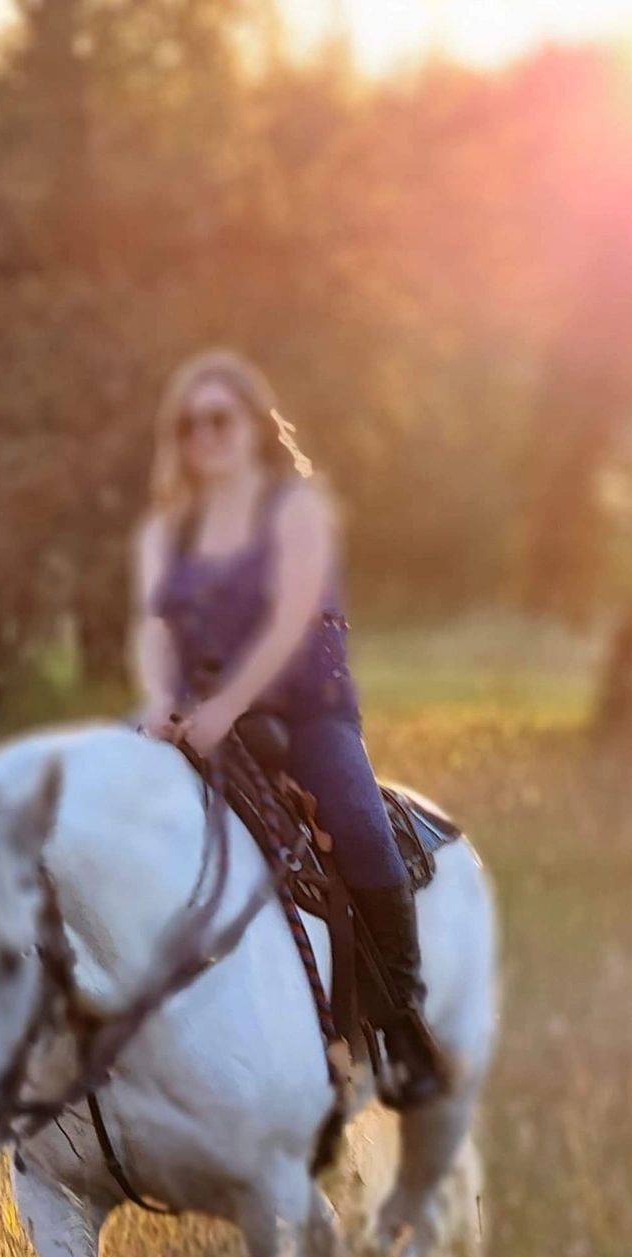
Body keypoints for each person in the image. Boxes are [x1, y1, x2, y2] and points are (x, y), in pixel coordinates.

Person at [132, 348, 446, 1105]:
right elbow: (159, 628)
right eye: (189, 424)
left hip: (305, 707)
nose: (204, 436)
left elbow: (288, 628)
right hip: (203, 709)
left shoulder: (295, 510)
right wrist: (160, 702)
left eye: (219, 420)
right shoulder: (174, 528)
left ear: (253, 428)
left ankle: (401, 1022)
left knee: (361, 827)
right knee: (104, 791)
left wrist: (223, 711)